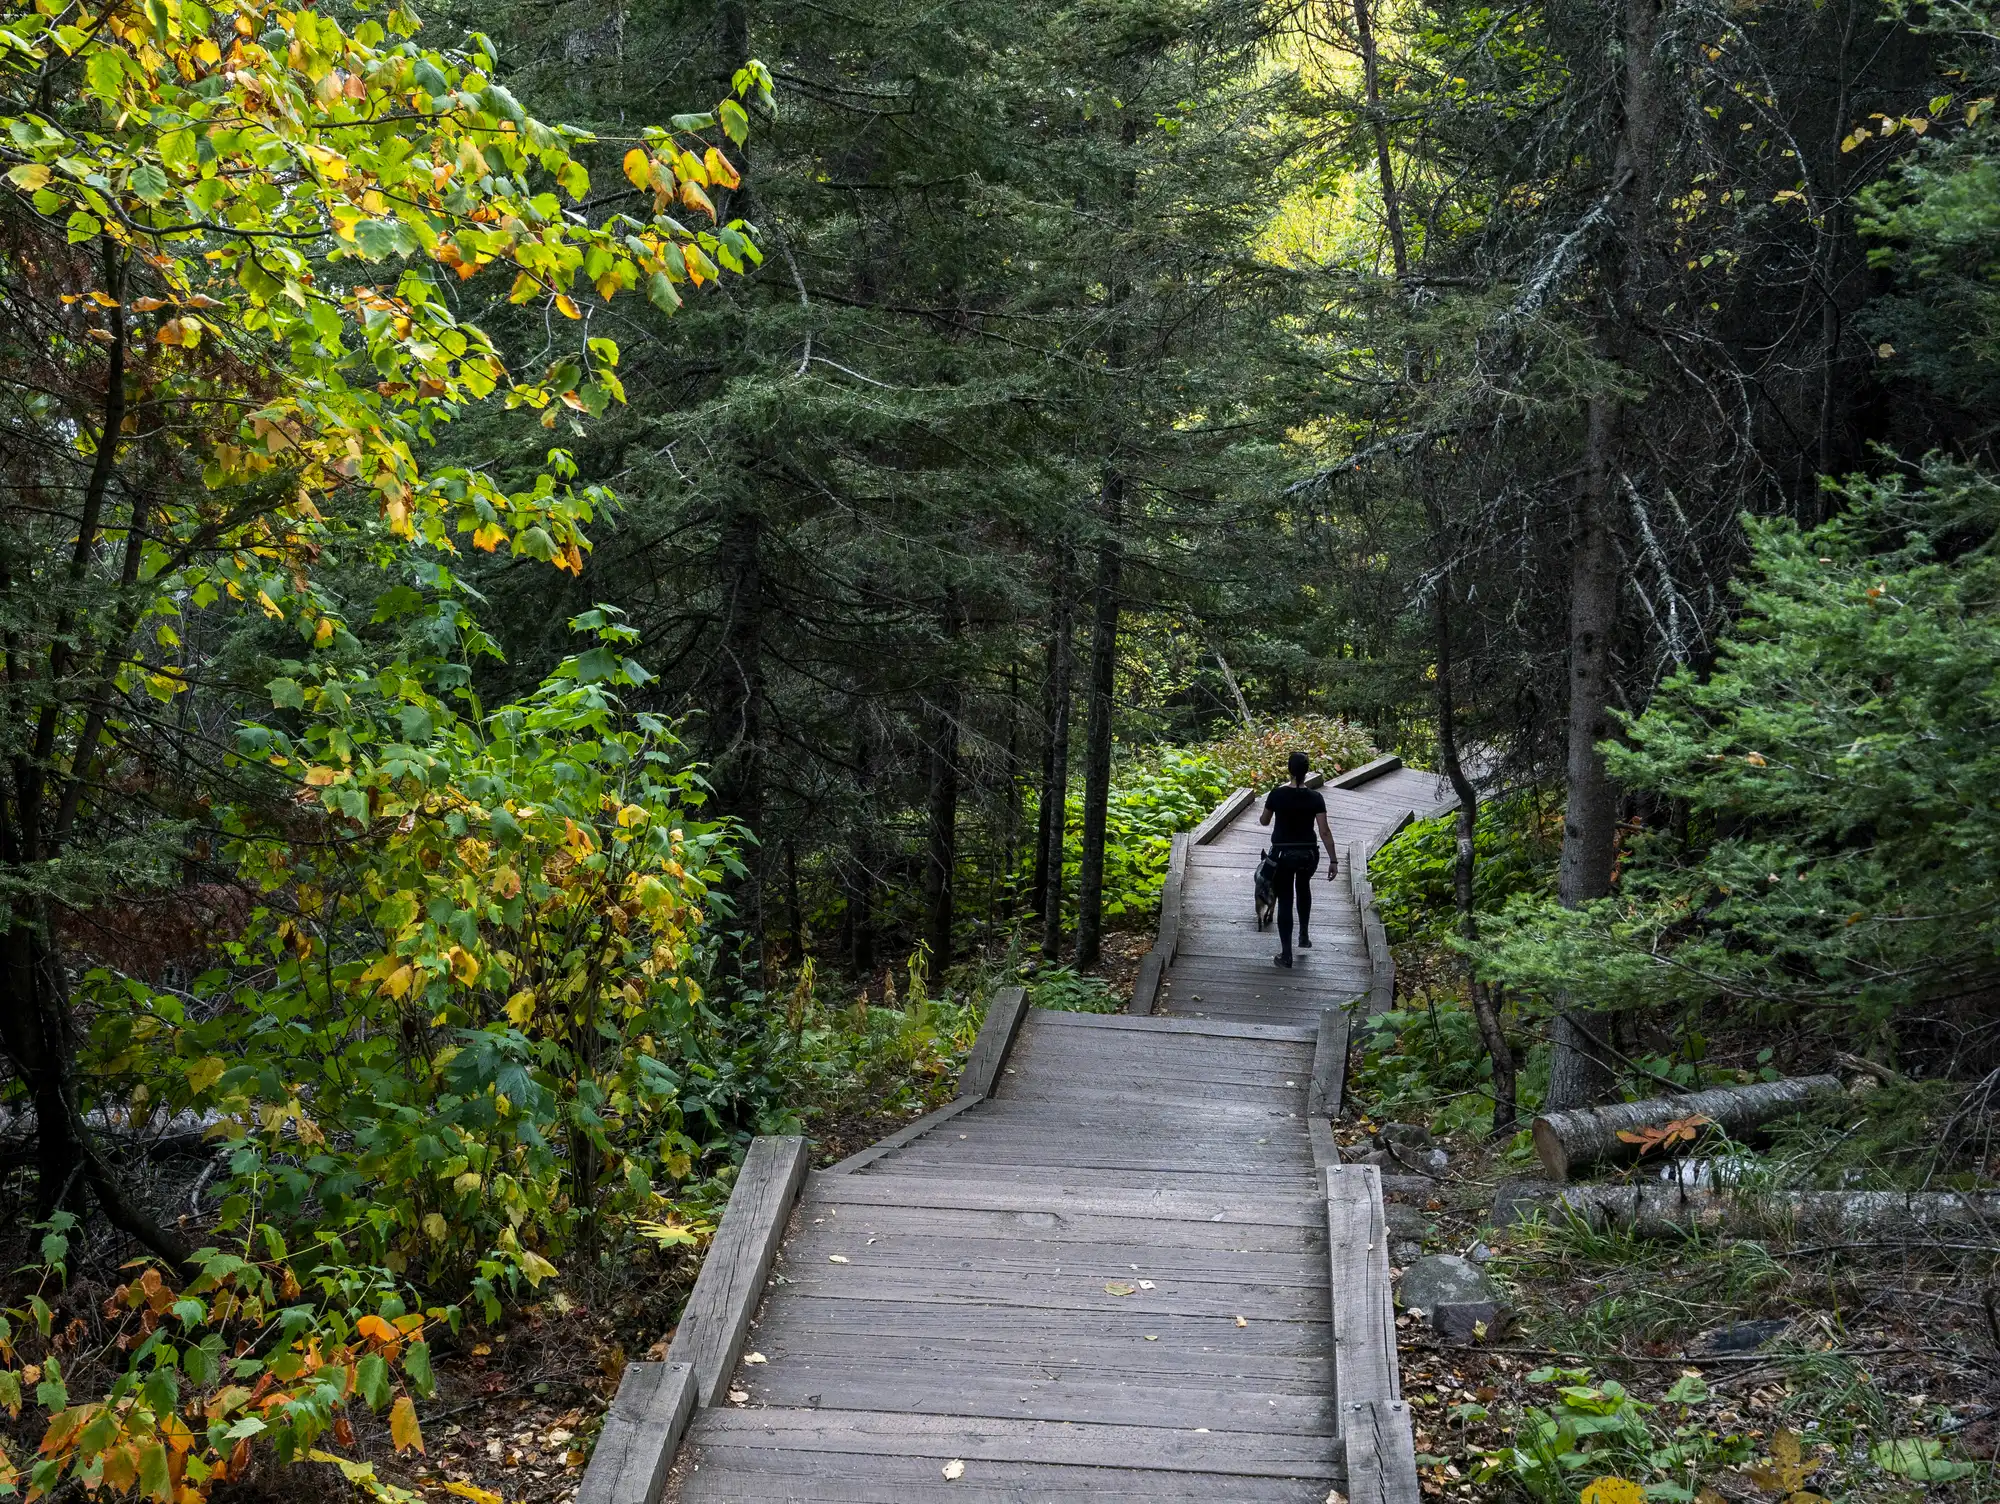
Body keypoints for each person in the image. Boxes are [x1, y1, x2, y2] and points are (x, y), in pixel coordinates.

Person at [1258, 750, 1337, 968]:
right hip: (1308, 855)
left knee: (1285, 898)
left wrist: (1271, 811)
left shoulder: (1276, 794)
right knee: (1303, 887)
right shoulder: (1315, 798)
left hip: (1282, 856)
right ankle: (1303, 935)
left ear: (1289, 770)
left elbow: (1264, 821)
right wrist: (1333, 860)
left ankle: (1286, 955)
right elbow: (1324, 831)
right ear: (1307, 771)